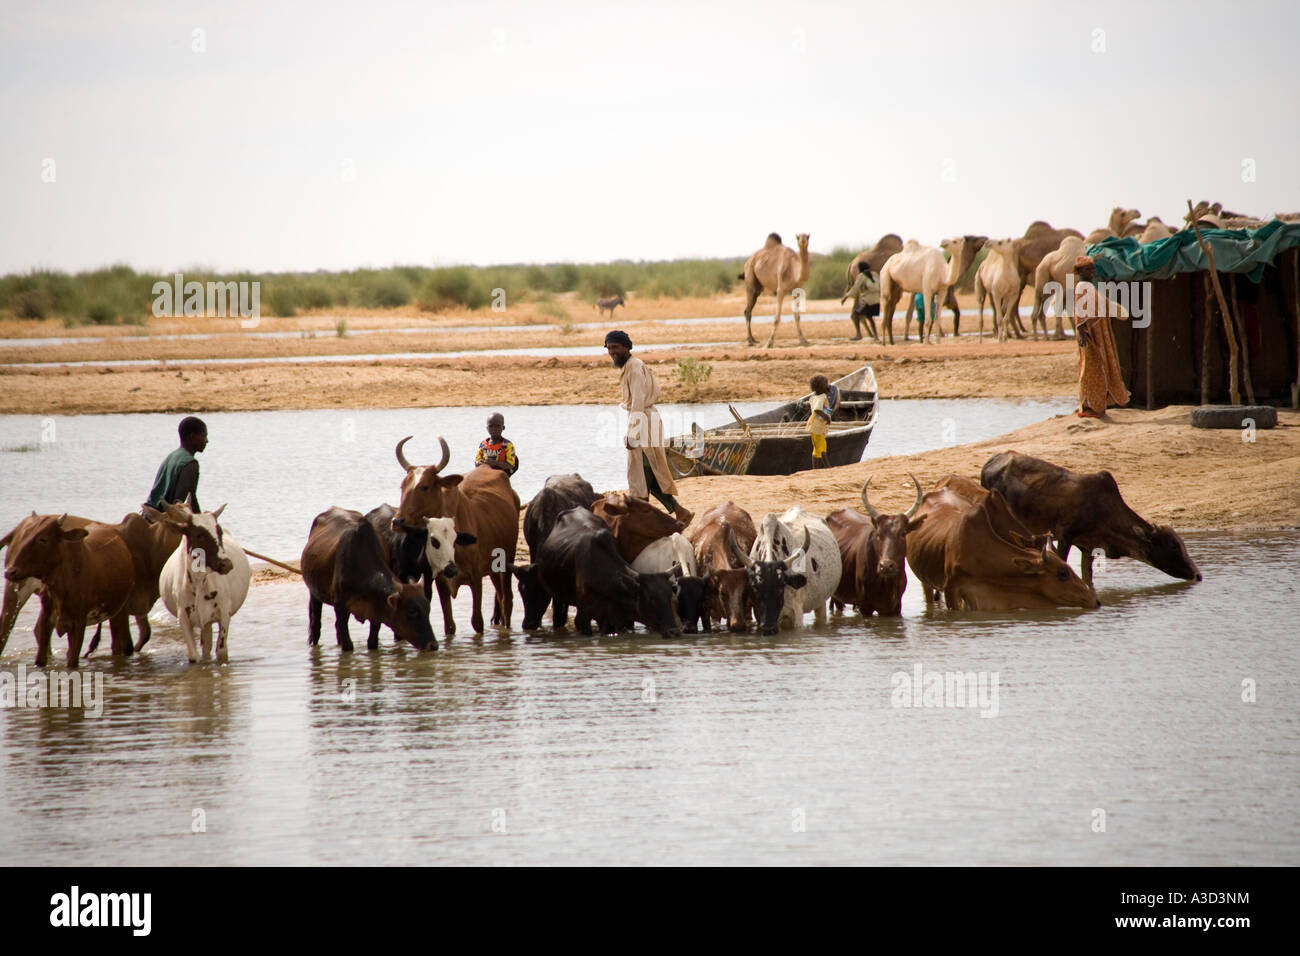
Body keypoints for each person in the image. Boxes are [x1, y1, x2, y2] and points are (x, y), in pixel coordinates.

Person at [604, 330, 693, 525]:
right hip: (645, 421)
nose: (612, 352)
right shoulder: (630, 366)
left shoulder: (634, 368)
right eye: (609, 348)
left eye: (615, 347)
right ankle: (679, 511)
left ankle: (641, 517)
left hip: (643, 423)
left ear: (626, 347)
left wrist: (632, 433)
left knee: (642, 473)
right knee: (648, 472)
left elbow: (637, 401)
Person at [1072, 256, 1131, 418]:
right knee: (1091, 367)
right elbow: (1080, 312)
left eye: (1092, 268)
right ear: (1079, 271)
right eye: (1087, 269)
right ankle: (1090, 406)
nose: (1091, 272)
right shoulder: (1082, 287)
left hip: (1098, 332)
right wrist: (1082, 330)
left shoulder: (1088, 287)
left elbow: (1101, 304)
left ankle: (1092, 406)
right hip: (1091, 334)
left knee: (1096, 366)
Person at [144, 416, 207, 516]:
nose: (206, 440)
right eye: (203, 436)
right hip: (163, 520)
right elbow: (179, 503)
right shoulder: (190, 463)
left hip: (149, 514)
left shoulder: (172, 456)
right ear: (192, 437)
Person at [805, 374, 840, 468]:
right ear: (821, 387)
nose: (828, 386)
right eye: (826, 384)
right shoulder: (822, 397)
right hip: (817, 427)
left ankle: (821, 467)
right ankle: (826, 466)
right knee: (819, 448)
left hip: (817, 427)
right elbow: (817, 409)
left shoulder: (814, 397)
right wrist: (827, 417)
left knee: (820, 447)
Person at [841, 262, 881, 341]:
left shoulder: (861, 276)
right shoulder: (875, 274)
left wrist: (845, 296)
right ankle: (876, 336)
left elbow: (855, 289)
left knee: (854, 315)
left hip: (866, 301)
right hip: (876, 301)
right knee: (869, 317)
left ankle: (859, 334)